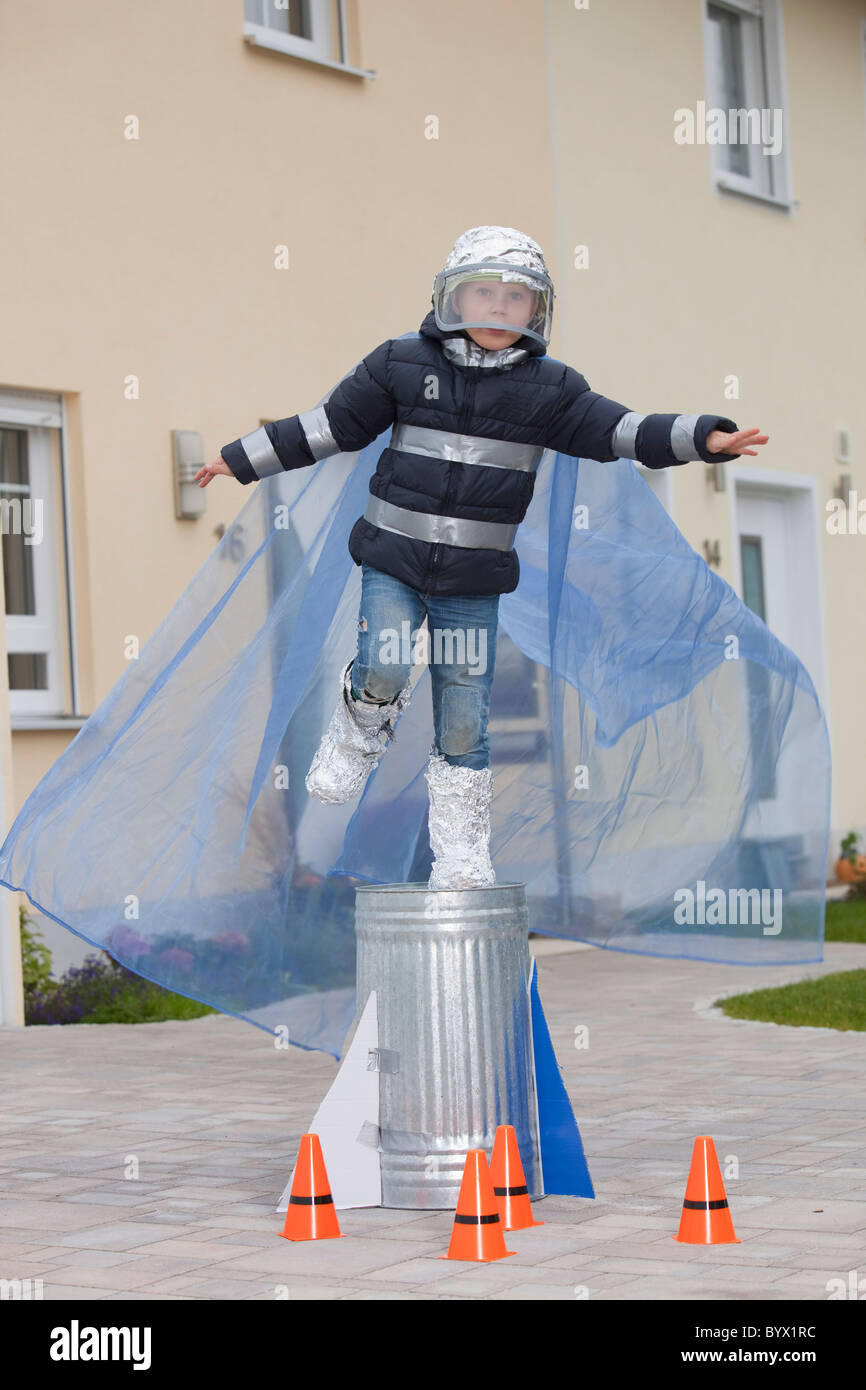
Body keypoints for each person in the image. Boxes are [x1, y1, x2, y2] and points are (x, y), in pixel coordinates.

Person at [197, 225, 768, 890]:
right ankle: (358, 730)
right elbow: (329, 427)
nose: (499, 308)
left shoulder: (551, 389)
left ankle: (462, 853)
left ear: (538, 310)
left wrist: (703, 438)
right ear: (451, 298)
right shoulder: (399, 363)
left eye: (516, 297)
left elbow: (620, 430)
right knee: (384, 664)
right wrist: (239, 459)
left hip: (472, 581)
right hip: (394, 559)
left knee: (465, 717)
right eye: (483, 293)